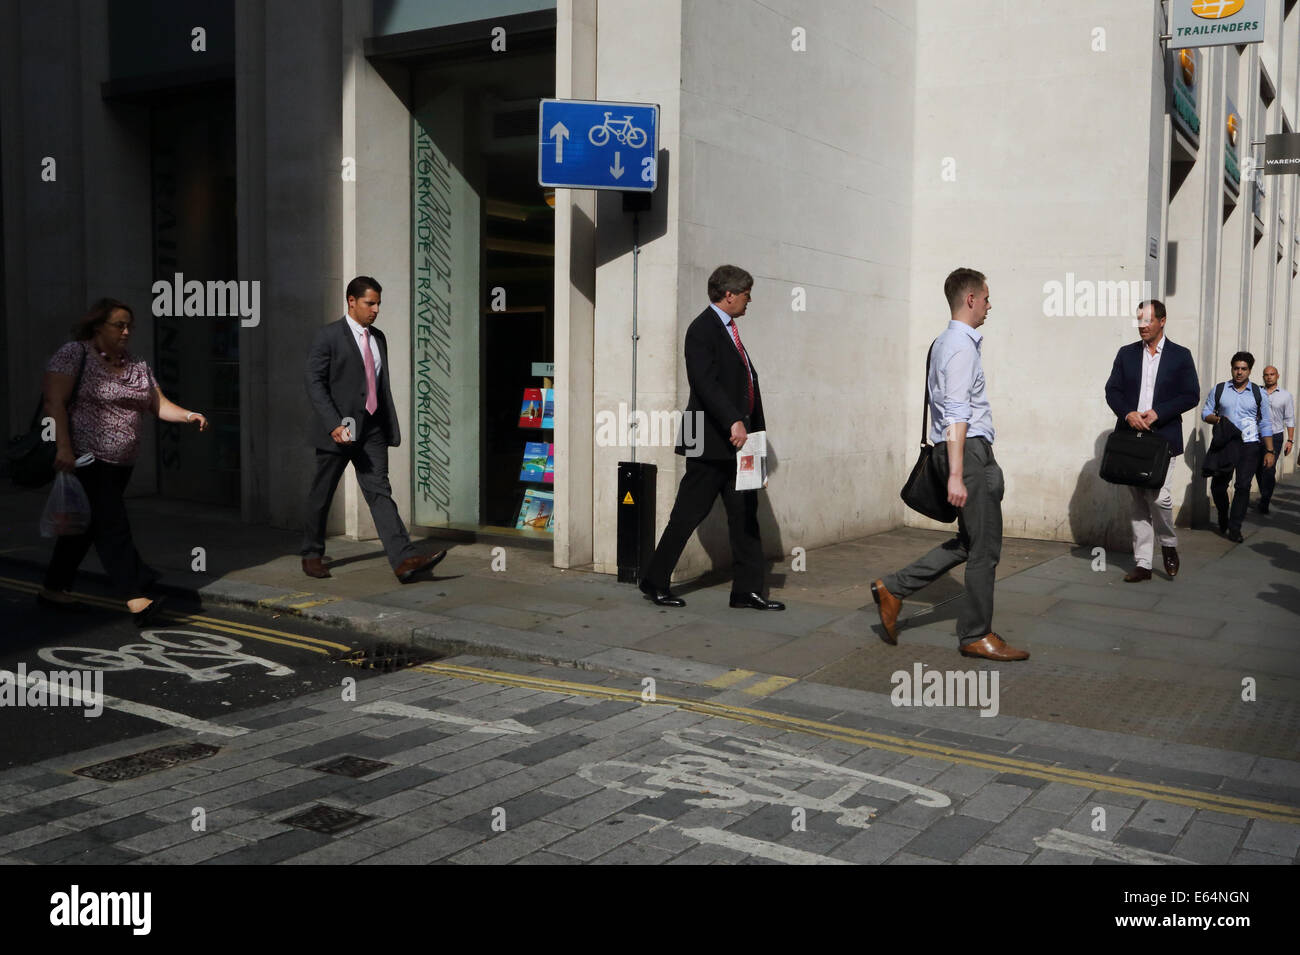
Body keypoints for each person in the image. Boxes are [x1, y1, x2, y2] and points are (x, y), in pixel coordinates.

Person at [871, 268, 1028, 661]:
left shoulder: (945, 342)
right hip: (966, 453)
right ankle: (975, 634)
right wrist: (957, 475)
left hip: (965, 452)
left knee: (969, 541)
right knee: (985, 550)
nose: (990, 306)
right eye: (987, 298)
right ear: (971, 299)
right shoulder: (959, 347)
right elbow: (957, 413)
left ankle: (894, 588)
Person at [38, 298, 208, 625]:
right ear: (98, 326)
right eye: (119, 324)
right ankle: (136, 596)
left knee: (83, 530)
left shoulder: (136, 364)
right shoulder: (75, 353)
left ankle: (53, 589)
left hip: (122, 463)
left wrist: (188, 415)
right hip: (87, 458)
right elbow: (53, 401)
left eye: (130, 325)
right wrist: (63, 448)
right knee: (112, 525)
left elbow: (157, 404)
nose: (127, 331)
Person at [639, 264, 783, 610]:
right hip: (709, 441)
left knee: (745, 516)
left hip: (738, 444)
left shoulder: (730, 331)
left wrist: (756, 441)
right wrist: (733, 420)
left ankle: (747, 591)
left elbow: (747, 386)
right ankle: (654, 580)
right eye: (747, 294)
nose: (750, 301)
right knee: (688, 514)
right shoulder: (701, 330)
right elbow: (704, 383)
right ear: (729, 295)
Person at [302, 276, 446, 582]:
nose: (376, 309)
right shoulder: (328, 336)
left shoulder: (378, 337)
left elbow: (377, 386)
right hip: (340, 431)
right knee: (322, 494)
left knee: (380, 493)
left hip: (372, 431)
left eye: (378, 303)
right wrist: (333, 424)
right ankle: (312, 553)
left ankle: (404, 561)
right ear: (351, 301)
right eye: (370, 303)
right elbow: (314, 382)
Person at [1103, 299, 1200, 581]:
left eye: (1147, 320)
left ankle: (1168, 544)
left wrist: (1159, 412)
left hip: (1163, 437)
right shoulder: (1126, 354)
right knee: (1137, 501)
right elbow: (1113, 390)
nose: (1142, 326)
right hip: (1131, 436)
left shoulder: (1181, 355)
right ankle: (1143, 563)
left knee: (1159, 497)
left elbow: (1190, 394)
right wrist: (1127, 413)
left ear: (1162, 320)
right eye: (1139, 320)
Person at [1201, 352, 1274, 542]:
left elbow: (1265, 423)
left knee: (1243, 486)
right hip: (1225, 444)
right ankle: (1223, 515)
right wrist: (1219, 419)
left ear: (1250, 370)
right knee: (1218, 487)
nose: (1239, 372)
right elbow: (1206, 412)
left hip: (1250, 445)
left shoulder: (1259, 394)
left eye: (1243, 369)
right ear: (1231, 368)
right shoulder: (1220, 389)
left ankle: (1235, 528)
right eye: (1236, 368)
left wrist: (1269, 451)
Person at [1255, 365, 1294, 514]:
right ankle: (1265, 492)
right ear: (1263, 377)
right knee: (1258, 468)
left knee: (1269, 469)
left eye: (1272, 374)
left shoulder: (1285, 396)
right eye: (1266, 375)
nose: (1269, 377)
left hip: (1275, 436)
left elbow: (1290, 419)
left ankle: (1265, 500)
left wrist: (1290, 440)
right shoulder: (1257, 392)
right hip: (1258, 435)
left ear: (1277, 376)